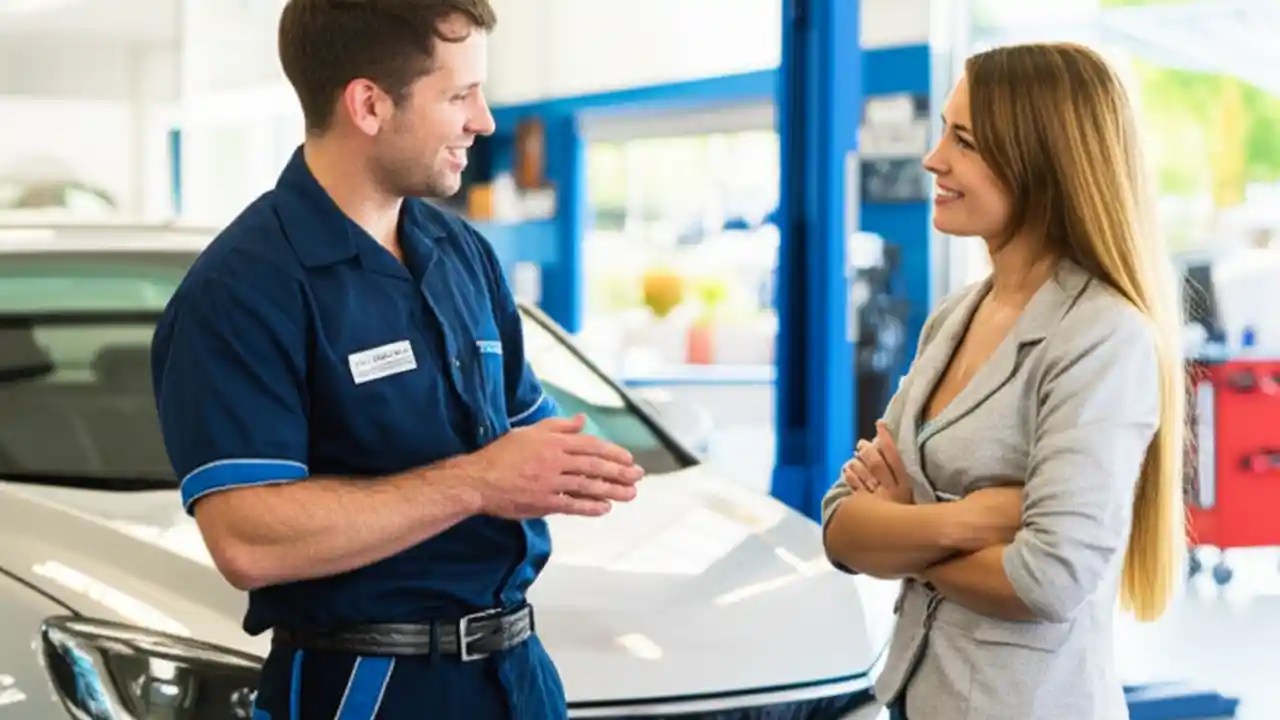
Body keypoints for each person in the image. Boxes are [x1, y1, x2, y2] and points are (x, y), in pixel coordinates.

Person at [150, 1, 646, 717]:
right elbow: (248, 539)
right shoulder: (245, 288)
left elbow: (528, 442)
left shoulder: (461, 253)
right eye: (459, 95)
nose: (484, 121)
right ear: (369, 104)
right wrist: (475, 484)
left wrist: (575, 466)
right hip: (366, 689)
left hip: (515, 680)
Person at [821, 42, 1186, 720]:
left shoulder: (1103, 335)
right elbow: (841, 524)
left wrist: (906, 531)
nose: (934, 159)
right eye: (942, 132)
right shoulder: (956, 318)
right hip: (915, 698)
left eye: (964, 140)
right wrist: (972, 520)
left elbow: (1046, 579)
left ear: (1042, 162)